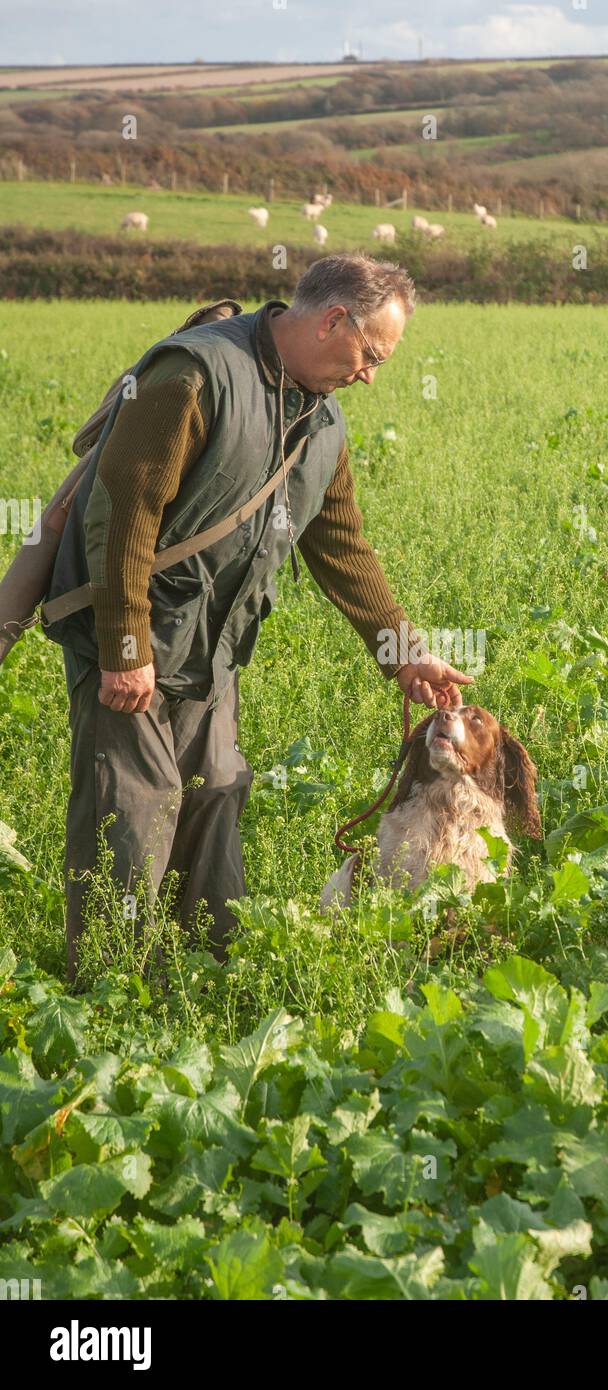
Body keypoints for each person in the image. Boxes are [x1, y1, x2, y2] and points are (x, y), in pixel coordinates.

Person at [42, 253, 472, 980]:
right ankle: (107, 995)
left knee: (215, 801)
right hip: (133, 642)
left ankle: (212, 976)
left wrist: (406, 653)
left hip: (213, 655)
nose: (371, 375)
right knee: (129, 818)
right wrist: (122, 647)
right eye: (371, 354)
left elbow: (343, 548)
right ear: (332, 320)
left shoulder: (321, 423)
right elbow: (123, 514)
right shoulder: (194, 375)